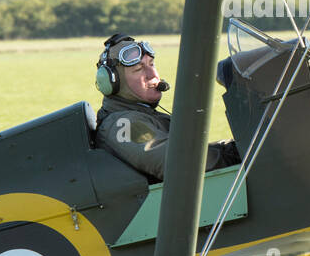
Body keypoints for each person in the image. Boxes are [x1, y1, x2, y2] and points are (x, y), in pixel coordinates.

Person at [93, 33, 241, 183]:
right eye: (139, 69)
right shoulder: (122, 124)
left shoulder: (142, 114)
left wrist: (233, 150)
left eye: (151, 64)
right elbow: (181, 164)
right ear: (113, 82)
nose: (153, 75)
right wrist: (234, 159)